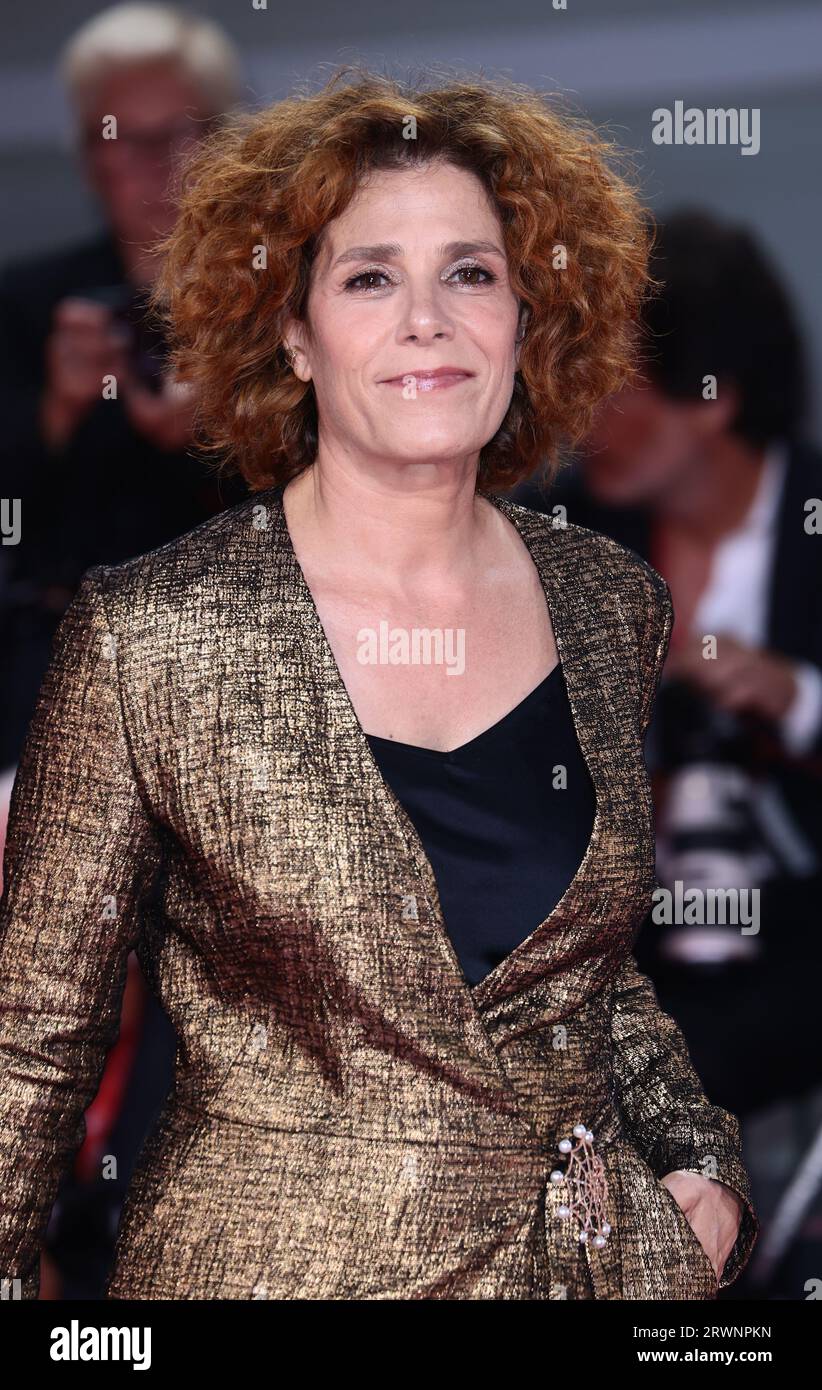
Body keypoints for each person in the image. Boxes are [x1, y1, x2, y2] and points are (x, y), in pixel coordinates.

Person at [0, 67, 759, 1301]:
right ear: (292, 333)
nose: (428, 320)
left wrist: (703, 1170)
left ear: (528, 315)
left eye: (471, 272)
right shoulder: (151, 633)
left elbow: (588, 970)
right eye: (368, 278)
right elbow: (31, 1046)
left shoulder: (612, 604)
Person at [516, 210, 822, 1120]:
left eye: (611, 387)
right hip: (621, 934)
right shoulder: (562, 534)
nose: (581, 417)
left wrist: (795, 696)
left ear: (711, 397)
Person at [0, 3, 248, 770]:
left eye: (184, 134)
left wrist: (221, 433)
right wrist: (54, 411)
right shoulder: (26, 305)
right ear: (89, 156)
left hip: (236, 663)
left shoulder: (272, 300)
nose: (159, 167)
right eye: (125, 139)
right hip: (57, 668)